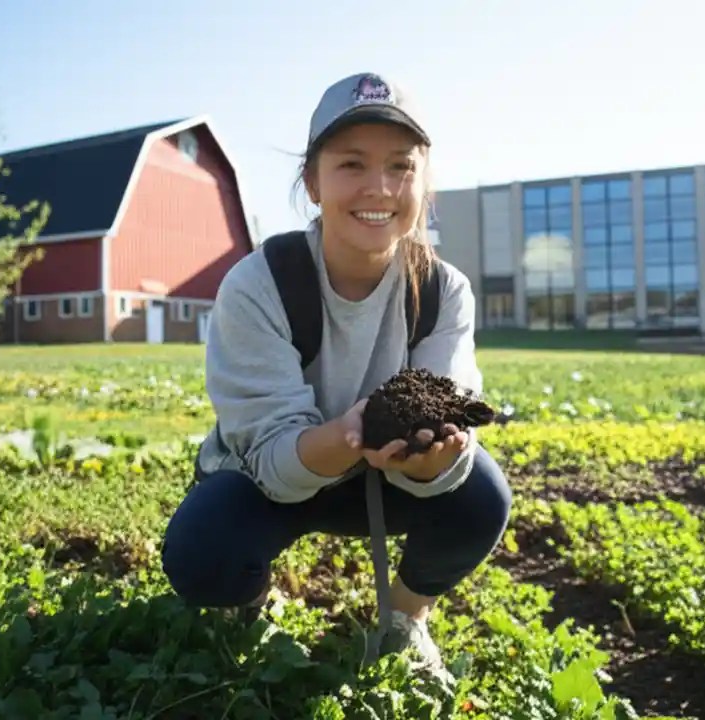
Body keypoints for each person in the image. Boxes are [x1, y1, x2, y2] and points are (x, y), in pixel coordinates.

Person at [160, 71, 512, 677]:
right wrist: (351, 434)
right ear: (312, 182)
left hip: (393, 475)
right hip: (279, 474)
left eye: (401, 166)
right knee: (203, 551)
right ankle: (245, 604)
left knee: (480, 497)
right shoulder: (259, 284)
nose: (379, 187)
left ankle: (404, 621)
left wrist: (433, 457)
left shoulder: (441, 288)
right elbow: (269, 453)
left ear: (423, 183)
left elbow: (450, 413)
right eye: (351, 164)